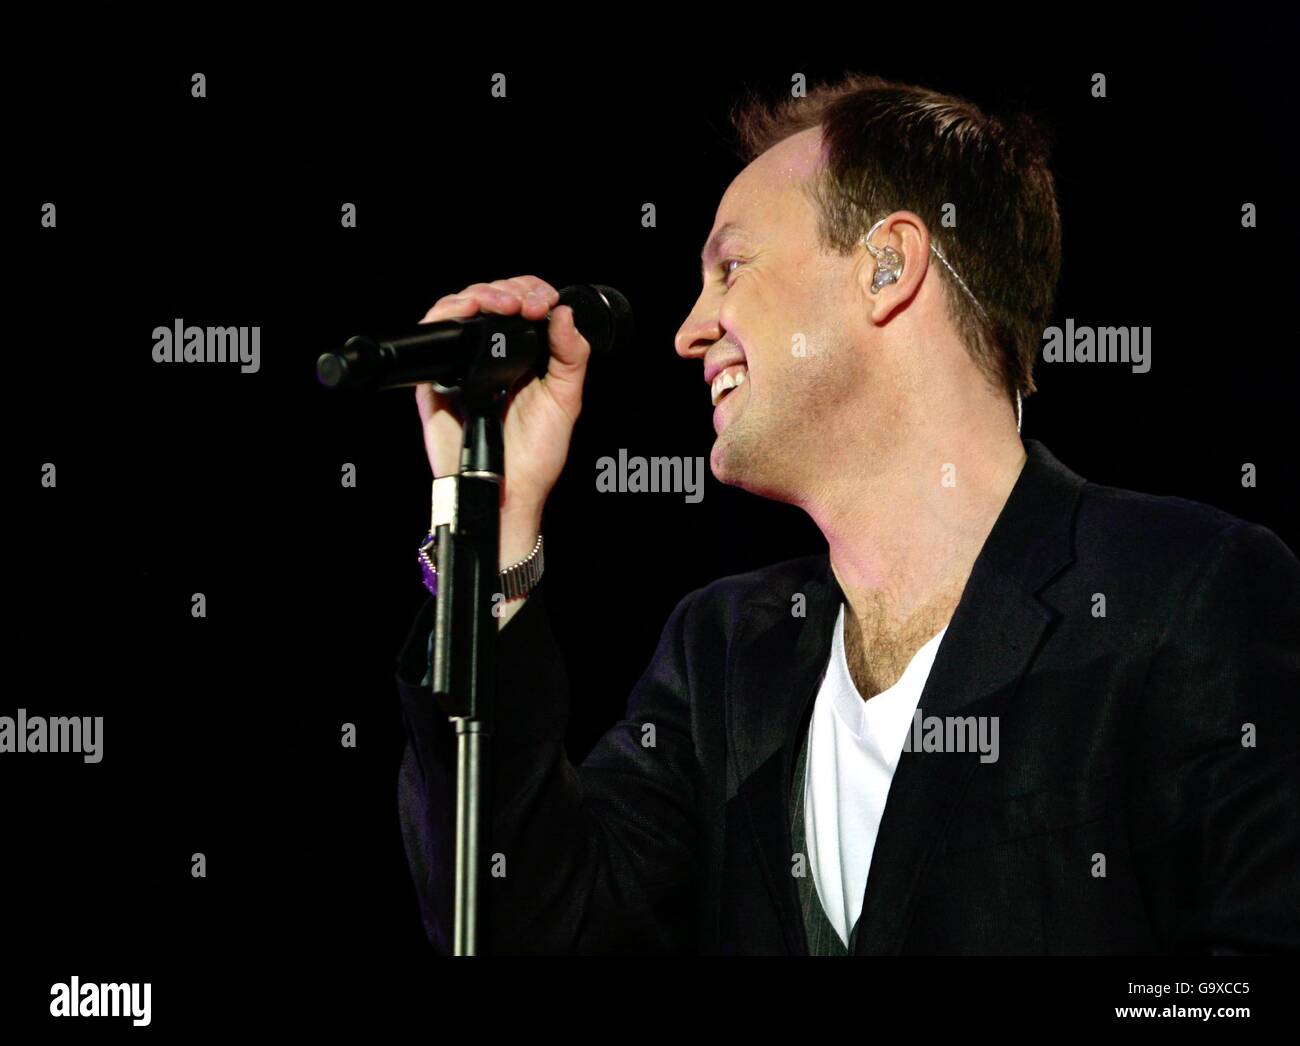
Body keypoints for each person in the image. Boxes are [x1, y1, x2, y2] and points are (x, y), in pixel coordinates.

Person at [394, 73, 1300, 954]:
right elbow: (519, 918)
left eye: (730, 268)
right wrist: (492, 523)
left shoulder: (1184, 593)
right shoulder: (724, 656)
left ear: (887, 264)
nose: (688, 330)